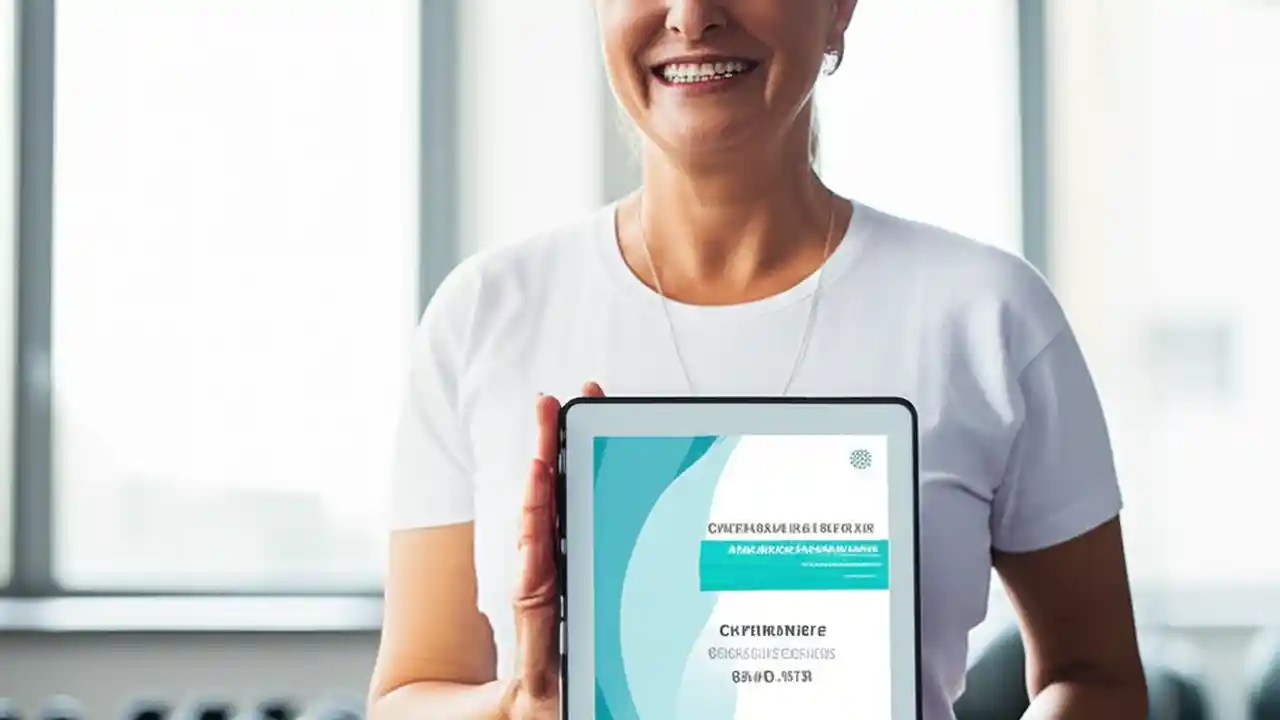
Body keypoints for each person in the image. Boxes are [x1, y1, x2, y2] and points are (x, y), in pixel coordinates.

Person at [367, 1, 1148, 718]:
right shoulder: (483, 315)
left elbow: (1097, 678)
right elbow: (407, 694)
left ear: (838, 7)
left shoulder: (990, 316)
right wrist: (518, 710)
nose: (694, 15)